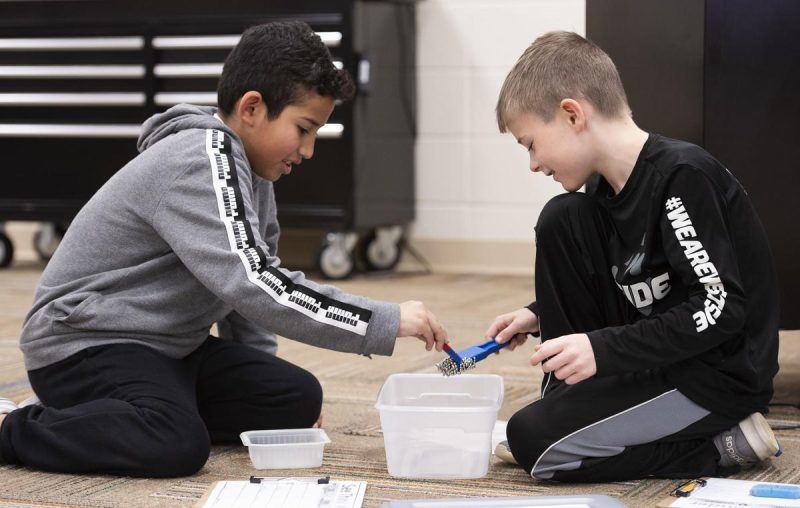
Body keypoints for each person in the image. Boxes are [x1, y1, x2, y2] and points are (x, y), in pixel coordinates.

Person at [0, 21, 447, 477]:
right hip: (85, 345)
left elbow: (244, 293)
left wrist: (255, 381)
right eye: (304, 129)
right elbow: (254, 283)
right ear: (252, 107)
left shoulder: (254, 170)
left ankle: (123, 413)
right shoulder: (201, 157)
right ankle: (12, 428)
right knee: (175, 443)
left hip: (169, 347)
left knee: (293, 399)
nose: (309, 150)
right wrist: (381, 320)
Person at [485, 31, 781, 482]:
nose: (534, 163)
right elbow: (631, 278)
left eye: (530, 144)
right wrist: (536, 314)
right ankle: (566, 409)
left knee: (534, 443)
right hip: (658, 356)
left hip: (715, 376)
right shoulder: (602, 187)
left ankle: (717, 448)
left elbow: (719, 308)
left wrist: (601, 349)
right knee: (562, 218)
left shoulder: (682, 177)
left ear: (572, 115)